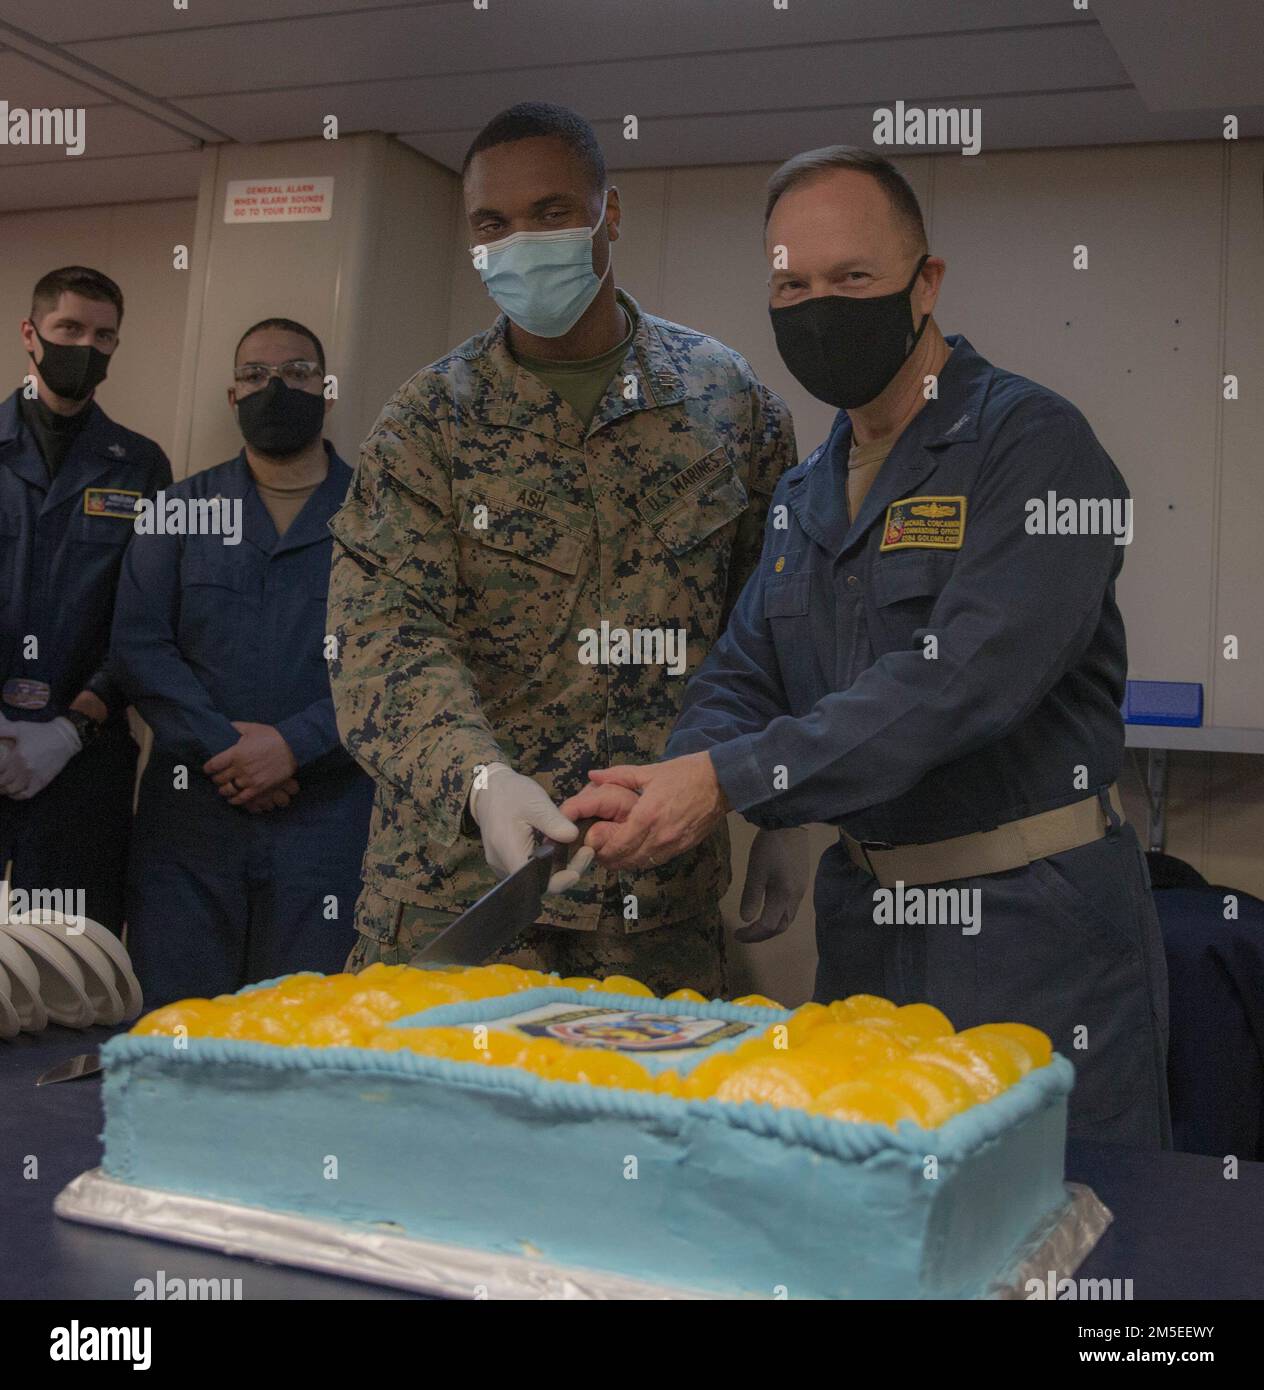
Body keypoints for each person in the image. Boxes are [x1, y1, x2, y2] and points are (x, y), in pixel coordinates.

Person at [564, 146, 1171, 1148]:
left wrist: (733, 783)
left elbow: (957, 684)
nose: (818, 307)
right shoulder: (809, 492)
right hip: (868, 921)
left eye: (851, 279)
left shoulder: (1033, 446)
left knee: (1060, 1221)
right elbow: (746, 669)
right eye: (791, 284)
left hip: (1028, 928)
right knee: (873, 1204)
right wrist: (675, 775)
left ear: (924, 283)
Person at [328, 103, 802, 997]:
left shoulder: (725, 402)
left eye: (551, 212)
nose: (521, 242)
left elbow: (772, 624)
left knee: (642, 1130)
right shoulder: (428, 424)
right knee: (427, 1129)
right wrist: (480, 782)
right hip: (454, 899)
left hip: (653, 900)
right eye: (492, 223)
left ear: (608, 215)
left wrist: (778, 803)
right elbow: (381, 643)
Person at [110, 318, 373, 1005]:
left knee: (308, 1038)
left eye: (297, 372)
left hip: (328, 818)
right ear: (232, 394)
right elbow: (140, 650)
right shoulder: (176, 511)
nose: (276, 387)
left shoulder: (380, 518)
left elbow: (399, 661)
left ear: (328, 389)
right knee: (176, 1032)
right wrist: (232, 751)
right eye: (256, 374)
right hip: (192, 821)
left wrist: (297, 745)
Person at [0, 266, 170, 934]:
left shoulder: (141, 466)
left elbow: (148, 621)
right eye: (69, 328)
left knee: (68, 973)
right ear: (30, 334)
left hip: (82, 763)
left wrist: (67, 732)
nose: (86, 347)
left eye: (104, 336)